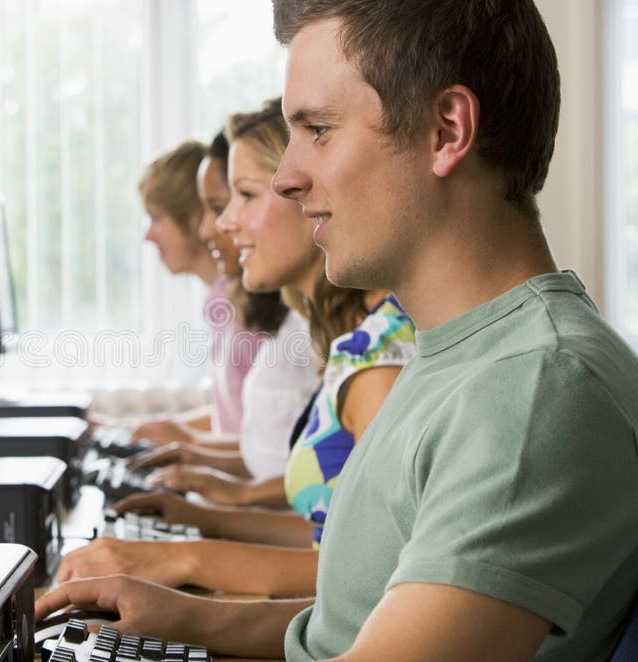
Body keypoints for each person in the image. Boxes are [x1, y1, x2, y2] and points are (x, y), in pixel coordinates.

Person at [267, 1, 638, 660]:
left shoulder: (535, 388)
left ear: (446, 130)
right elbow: (354, 626)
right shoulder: (461, 355)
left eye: (318, 130)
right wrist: (189, 618)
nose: (285, 178)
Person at [35, 100, 416, 658]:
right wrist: (204, 520)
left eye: (244, 196)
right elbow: (336, 541)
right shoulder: (353, 346)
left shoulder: (380, 360)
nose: (221, 223)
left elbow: (377, 583)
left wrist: (187, 561)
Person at [133, 130, 320, 506]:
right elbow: (262, 438)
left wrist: (194, 448)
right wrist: (186, 443)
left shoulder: (263, 314)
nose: (216, 226)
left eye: (156, 217)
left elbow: (280, 451)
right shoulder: (235, 306)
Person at [135, 140, 260, 439]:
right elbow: (233, 418)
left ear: (193, 218)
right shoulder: (221, 300)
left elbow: (260, 438)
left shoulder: (248, 309)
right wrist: (139, 431)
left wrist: (184, 443)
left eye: (156, 217)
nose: (148, 235)